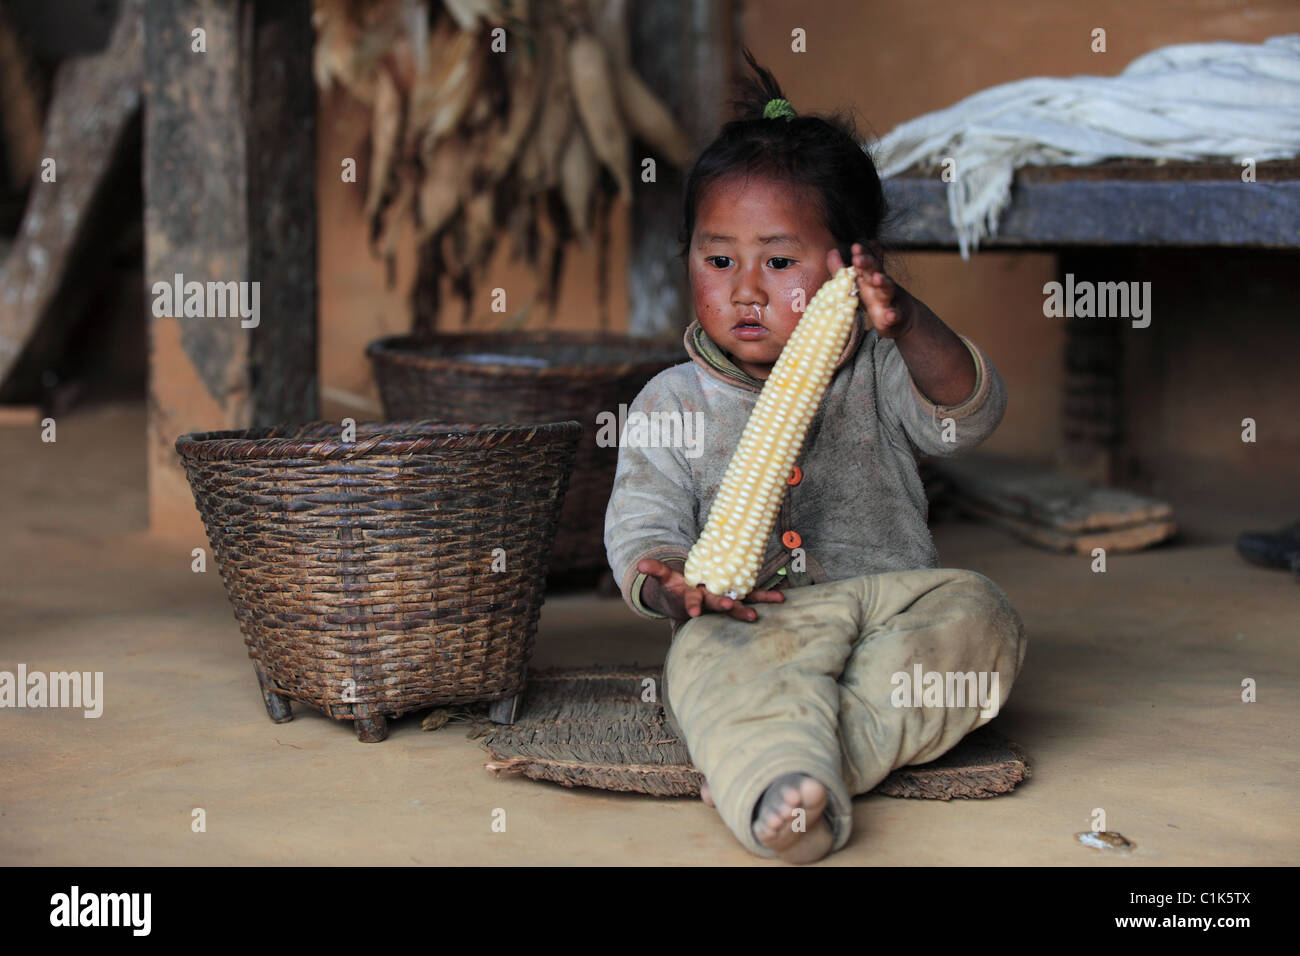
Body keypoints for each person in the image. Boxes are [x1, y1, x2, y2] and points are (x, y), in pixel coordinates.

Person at [604, 51, 1027, 864]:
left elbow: (966, 415)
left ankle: (784, 769)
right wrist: (673, 590)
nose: (748, 290)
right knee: (700, 660)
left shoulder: (881, 367)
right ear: (688, 256)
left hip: (890, 613)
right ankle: (788, 780)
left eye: (780, 260)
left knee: (982, 618)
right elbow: (644, 528)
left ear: (850, 264)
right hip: (752, 623)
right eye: (718, 259)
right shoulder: (671, 402)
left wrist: (907, 323)